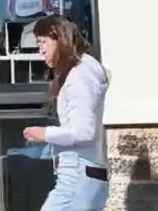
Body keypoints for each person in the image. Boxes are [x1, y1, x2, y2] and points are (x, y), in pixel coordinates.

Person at [22, 15, 109, 211]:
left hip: (78, 174)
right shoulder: (84, 71)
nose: (40, 50)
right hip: (84, 173)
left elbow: (84, 131)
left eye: (43, 42)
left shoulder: (79, 75)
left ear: (59, 38)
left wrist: (44, 134)